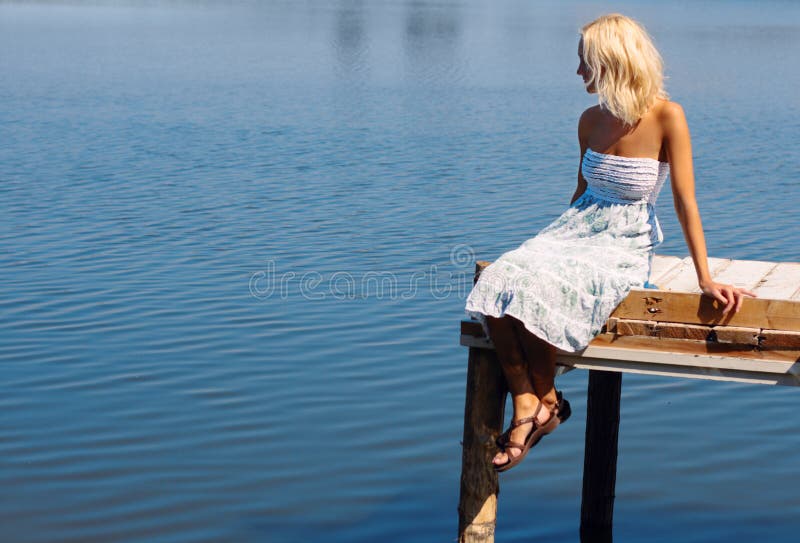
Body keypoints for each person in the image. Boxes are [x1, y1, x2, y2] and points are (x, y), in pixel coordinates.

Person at [463, 13, 756, 473]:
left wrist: (705, 276)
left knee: (540, 289)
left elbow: (685, 201)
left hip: (624, 242)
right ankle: (534, 399)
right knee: (502, 277)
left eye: (585, 61)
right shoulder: (589, 120)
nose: (579, 71)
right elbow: (580, 193)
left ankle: (540, 409)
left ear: (612, 62)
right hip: (575, 229)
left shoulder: (667, 116)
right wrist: (546, 245)